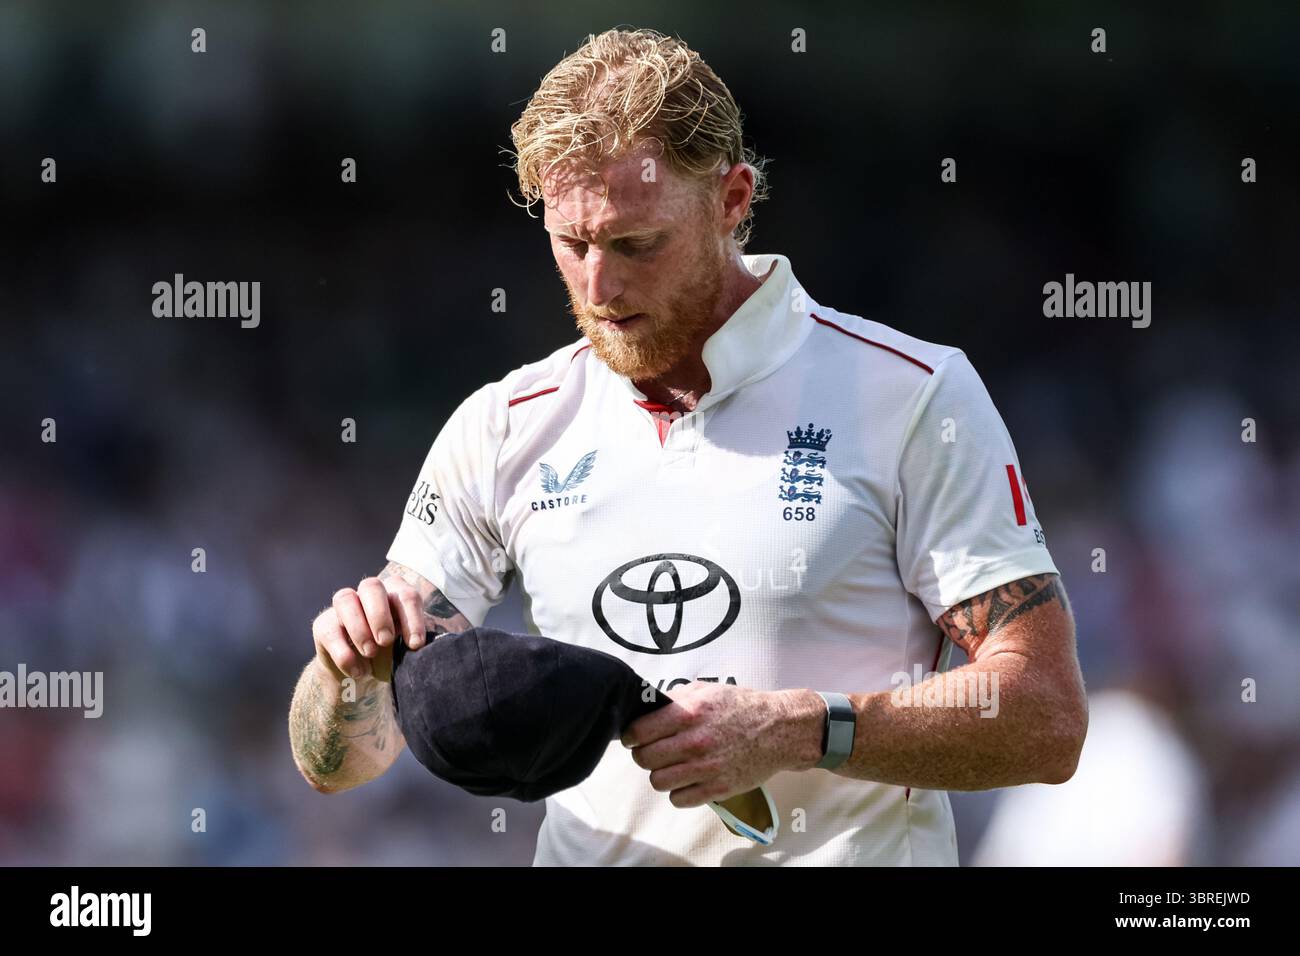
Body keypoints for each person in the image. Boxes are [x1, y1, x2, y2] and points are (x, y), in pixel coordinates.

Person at [288, 27, 1087, 866]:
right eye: (573, 244)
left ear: (733, 201)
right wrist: (346, 672)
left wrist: (802, 728)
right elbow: (339, 766)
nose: (600, 287)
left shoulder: (913, 395)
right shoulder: (504, 423)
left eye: (637, 244)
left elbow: (1046, 719)